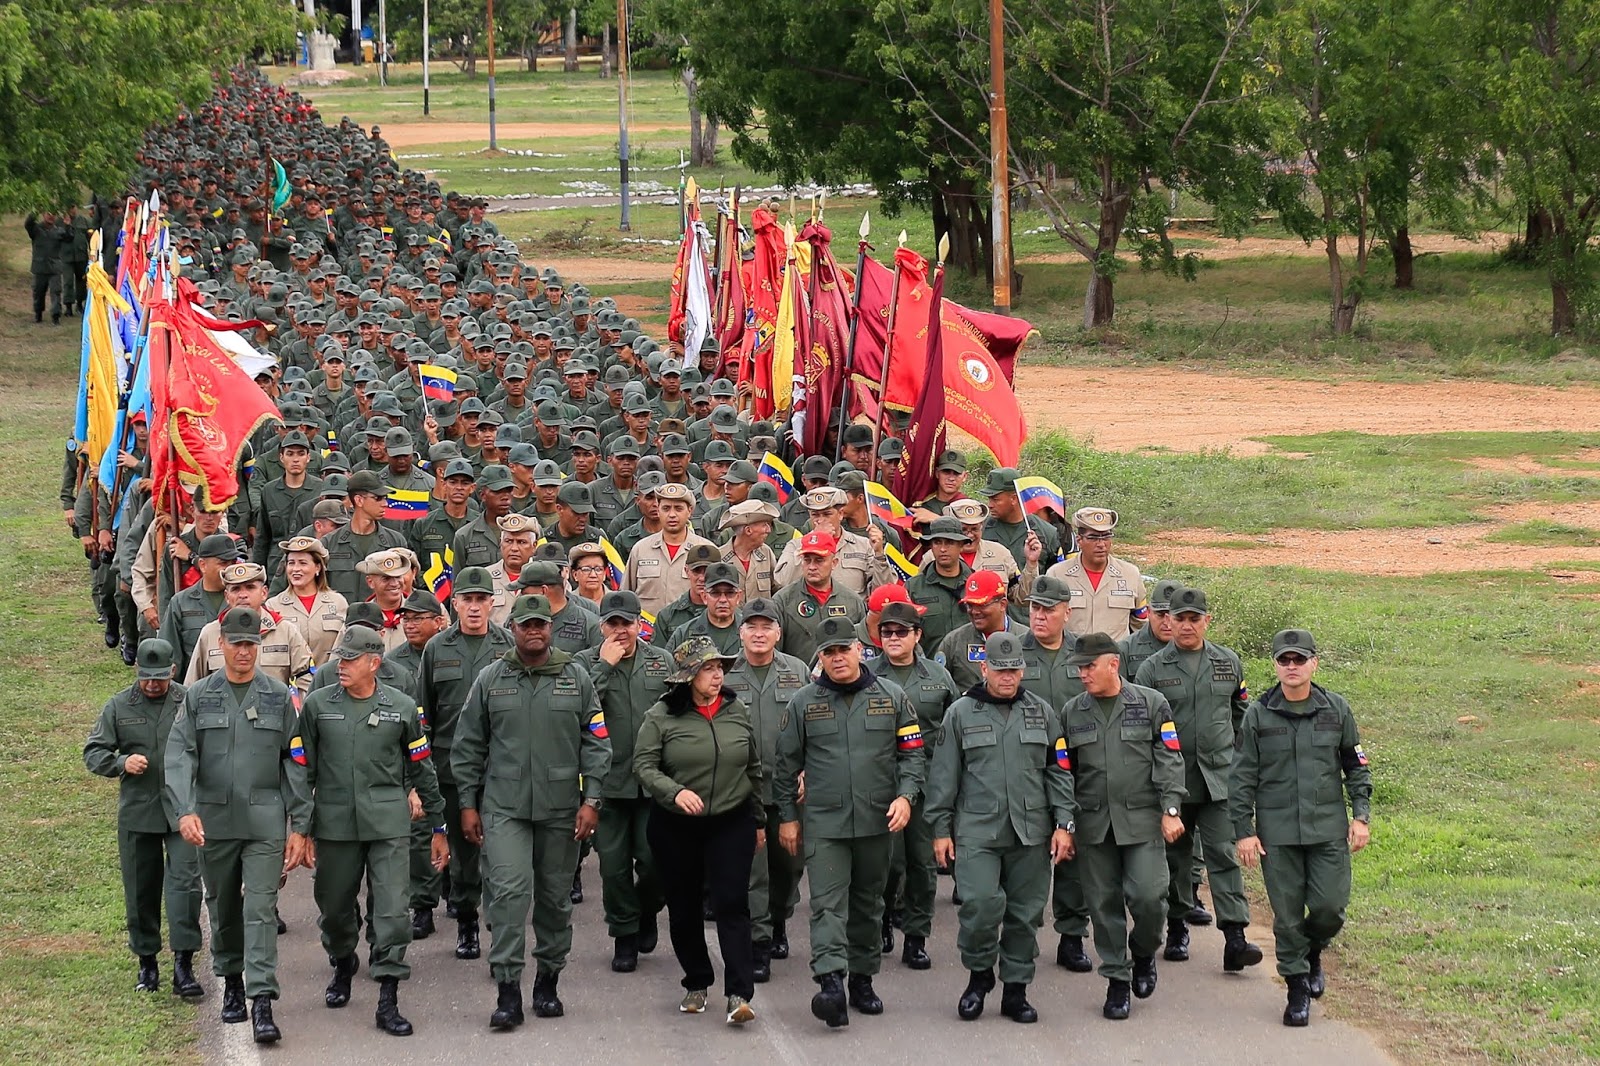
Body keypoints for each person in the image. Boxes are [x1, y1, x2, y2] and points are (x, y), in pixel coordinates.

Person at [451, 594, 610, 1030]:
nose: (535, 630)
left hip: (561, 810)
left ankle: (548, 982)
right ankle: (507, 992)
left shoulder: (576, 677)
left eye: (541, 624)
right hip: (505, 808)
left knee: (555, 900)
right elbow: (468, 746)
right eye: (526, 624)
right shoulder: (491, 678)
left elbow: (596, 742)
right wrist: (467, 803)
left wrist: (592, 800)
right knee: (507, 895)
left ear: (550, 628)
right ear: (514, 629)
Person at [164, 607, 312, 1045]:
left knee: (261, 908)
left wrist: (299, 824)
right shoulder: (199, 696)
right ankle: (231, 981)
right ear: (221, 645)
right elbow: (180, 755)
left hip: (265, 821)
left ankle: (262, 1000)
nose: (244, 651)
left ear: (260, 647)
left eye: (251, 644)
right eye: (235, 643)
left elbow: (296, 762)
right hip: (213, 822)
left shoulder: (279, 697)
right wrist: (185, 810)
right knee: (223, 904)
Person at [773, 617, 927, 1028]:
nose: (838, 658)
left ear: (860, 650)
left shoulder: (891, 696)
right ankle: (830, 982)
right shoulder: (803, 703)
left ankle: (862, 979)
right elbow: (785, 767)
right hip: (825, 823)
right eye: (829, 652)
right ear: (820, 657)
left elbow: (913, 755)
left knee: (868, 903)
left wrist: (906, 797)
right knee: (827, 904)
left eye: (844, 649)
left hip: (879, 821)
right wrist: (788, 817)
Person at [300, 626, 447, 1036]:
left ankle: (388, 997)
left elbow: (423, 768)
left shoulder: (402, 708)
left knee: (392, 911)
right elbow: (302, 771)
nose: (341, 666)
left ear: (374, 663)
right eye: (339, 659)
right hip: (334, 825)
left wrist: (438, 824)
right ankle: (342, 960)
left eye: (349, 660)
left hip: (386, 825)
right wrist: (301, 827)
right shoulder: (316, 706)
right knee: (334, 908)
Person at [926, 632, 1076, 1023]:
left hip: (1031, 829)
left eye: (1014, 670)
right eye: (999, 669)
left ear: (1022, 670)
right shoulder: (960, 713)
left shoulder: (1041, 711)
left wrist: (1064, 823)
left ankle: (1016, 989)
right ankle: (979, 977)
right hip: (978, 829)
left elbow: (1058, 772)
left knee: (1026, 915)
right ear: (984, 668)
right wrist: (941, 830)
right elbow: (943, 777)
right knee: (978, 905)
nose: (1007, 677)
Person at [1231, 629, 1372, 1027]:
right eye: (1284, 660)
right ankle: (1296, 989)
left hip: (1328, 830)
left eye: (1299, 659)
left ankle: (1312, 952)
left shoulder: (1336, 709)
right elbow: (1242, 778)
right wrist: (1244, 830)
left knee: (1330, 908)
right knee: (1288, 916)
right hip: (1278, 836)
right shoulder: (1259, 713)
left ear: (1314, 663)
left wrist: (1360, 817)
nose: (1291, 667)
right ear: (1275, 665)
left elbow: (1356, 768)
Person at [1055, 632, 1186, 1021]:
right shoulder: (1072, 712)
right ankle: (1116, 979)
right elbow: (1064, 773)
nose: (1082, 675)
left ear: (1113, 663)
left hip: (1142, 819)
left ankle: (1144, 951)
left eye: (1089, 666)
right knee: (1103, 905)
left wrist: (1172, 808)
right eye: (1078, 668)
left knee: (1149, 896)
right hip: (1093, 823)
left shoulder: (1150, 704)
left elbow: (1169, 759)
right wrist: (1066, 822)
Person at [633, 636, 764, 1025]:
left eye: (720, 668)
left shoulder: (735, 709)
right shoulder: (662, 716)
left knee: (732, 903)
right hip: (676, 825)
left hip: (731, 818)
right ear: (689, 676)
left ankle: (739, 992)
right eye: (708, 668)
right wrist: (675, 792)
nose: (717, 675)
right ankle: (697, 981)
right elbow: (643, 765)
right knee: (684, 906)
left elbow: (752, 768)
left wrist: (758, 820)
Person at [1133, 586, 1263, 972]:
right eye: (1180, 619)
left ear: (1207, 621)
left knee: (1224, 854)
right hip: (1173, 780)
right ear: (1167, 621)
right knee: (1175, 858)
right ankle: (1176, 925)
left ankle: (1235, 936)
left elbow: (1241, 713)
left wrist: (1238, 759)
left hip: (1219, 778)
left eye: (1195, 619)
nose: (1187, 626)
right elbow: (1144, 732)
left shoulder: (1228, 662)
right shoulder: (1152, 670)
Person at [82, 638, 204, 998]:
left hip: (183, 811)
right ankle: (147, 962)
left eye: (159, 678)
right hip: (140, 811)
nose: (152, 684)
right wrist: (121, 763)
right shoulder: (119, 706)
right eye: (145, 677)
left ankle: (184, 963)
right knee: (141, 888)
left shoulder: (189, 701)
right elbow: (94, 751)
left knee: (185, 886)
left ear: (172, 671)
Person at [573, 590, 676, 974]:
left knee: (654, 862)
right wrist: (604, 667)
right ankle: (624, 934)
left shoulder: (661, 661)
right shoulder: (586, 664)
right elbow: (578, 713)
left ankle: (646, 910)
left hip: (653, 782)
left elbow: (676, 714)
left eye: (626, 624)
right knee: (613, 867)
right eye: (612, 624)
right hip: (607, 783)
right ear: (602, 627)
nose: (620, 632)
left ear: (639, 625)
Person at [413, 566, 514, 949]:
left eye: (481, 600)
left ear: (492, 603)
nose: (474, 608)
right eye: (466, 600)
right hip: (452, 768)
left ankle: (500, 926)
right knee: (464, 851)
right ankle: (467, 921)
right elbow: (426, 714)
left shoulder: (508, 645)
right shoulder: (437, 648)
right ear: (453, 604)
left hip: (500, 766)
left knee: (501, 851)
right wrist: (422, 779)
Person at [721, 598, 809, 982]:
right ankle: (759, 943)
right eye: (751, 627)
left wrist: (807, 768)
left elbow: (813, 724)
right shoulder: (723, 674)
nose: (759, 634)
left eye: (766, 627)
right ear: (740, 633)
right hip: (742, 789)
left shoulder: (798, 671)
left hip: (789, 786)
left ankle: (779, 920)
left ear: (778, 633)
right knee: (753, 869)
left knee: (788, 866)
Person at [872, 599, 959, 969]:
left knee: (923, 866)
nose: (893, 638)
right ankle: (881, 922)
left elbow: (953, 730)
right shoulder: (868, 675)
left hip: (927, 782)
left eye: (901, 632)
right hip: (880, 781)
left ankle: (916, 936)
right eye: (886, 632)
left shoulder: (938, 677)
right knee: (886, 863)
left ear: (917, 636)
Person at [184, 563, 314, 694]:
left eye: (250, 588)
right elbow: (192, 686)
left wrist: (294, 708)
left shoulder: (285, 631)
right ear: (226, 596)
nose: (243, 595)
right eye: (236, 589)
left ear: (264, 593)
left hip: (271, 711)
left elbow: (307, 680)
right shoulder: (210, 633)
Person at [1045, 508, 1148, 639]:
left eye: (1106, 537)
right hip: (1072, 657)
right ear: (1079, 540)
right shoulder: (1057, 575)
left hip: (1115, 657)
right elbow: (1047, 623)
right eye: (1093, 538)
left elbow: (1141, 626)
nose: (1101, 544)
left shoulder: (1130, 574)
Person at [772, 530, 866, 664]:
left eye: (819, 560)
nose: (811, 567)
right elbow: (775, 652)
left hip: (840, 679)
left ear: (834, 563)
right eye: (807, 560)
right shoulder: (782, 600)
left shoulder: (852, 601)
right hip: (798, 681)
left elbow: (860, 650)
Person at [266, 535, 348, 667]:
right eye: (291, 563)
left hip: (330, 680)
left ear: (317, 568)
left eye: (303, 563)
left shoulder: (338, 603)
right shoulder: (273, 606)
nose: (296, 569)